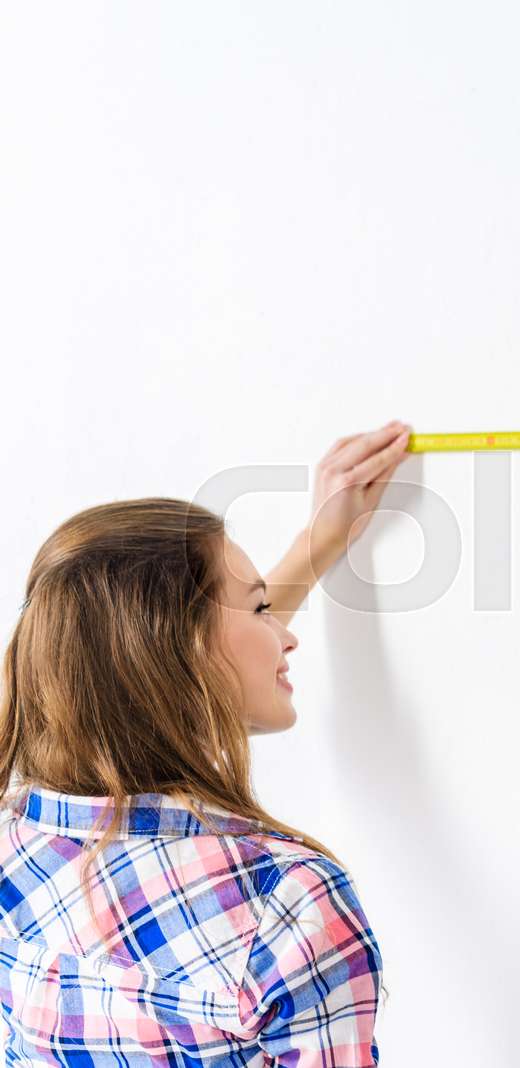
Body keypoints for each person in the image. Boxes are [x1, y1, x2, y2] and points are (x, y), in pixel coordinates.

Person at [0, 420, 412, 1065]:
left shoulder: (17, 842)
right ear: (184, 656)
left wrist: (319, 542)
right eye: (256, 609)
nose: (287, 637)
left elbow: (191, 672)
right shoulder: (286, 901)